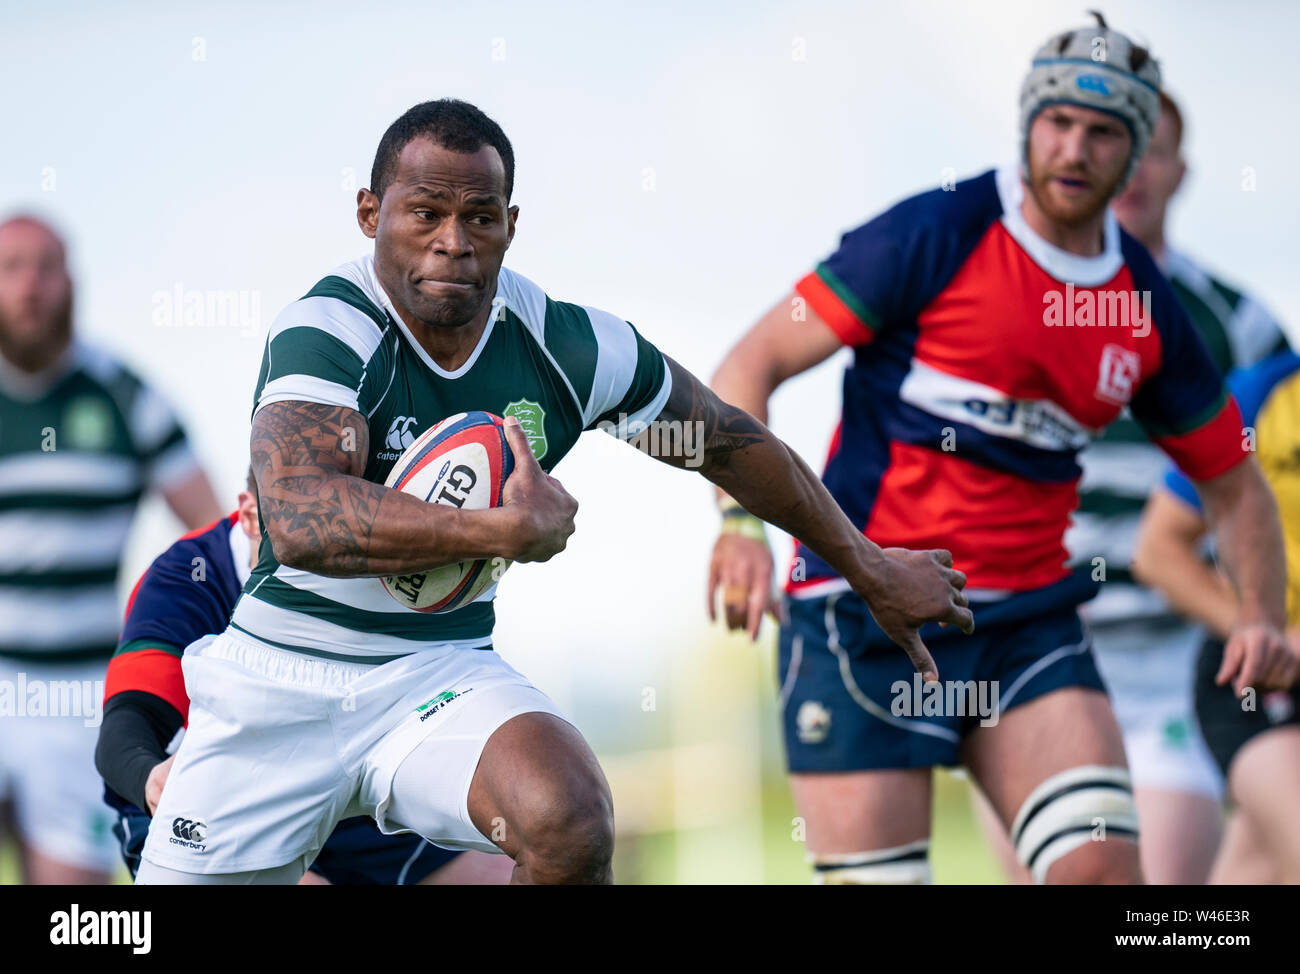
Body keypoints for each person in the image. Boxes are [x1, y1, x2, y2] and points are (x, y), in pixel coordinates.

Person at [132, 98, 971, 885]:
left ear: (510, 225)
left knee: (565, 812)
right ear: (370, 214)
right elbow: (301, 516)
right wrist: (496, 530)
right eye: (425, 212)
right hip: (281, 680)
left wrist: (869, 566)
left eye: (480, 217)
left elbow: (728, 443)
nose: (453, 240)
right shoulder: (329, 325)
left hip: (433, 675)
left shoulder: (570, 350)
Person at [705, 13, 1292, 884]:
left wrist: (1263, 613)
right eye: (1057, 123)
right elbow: (749, 366)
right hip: (859, 609)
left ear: (1134, 156)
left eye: (1103, 132)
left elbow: (1237, 484)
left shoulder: (1144, 300)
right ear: (1028, 125)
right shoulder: (931, 234)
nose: (1075, 149)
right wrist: (738, 526)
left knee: (1105, 879)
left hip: (1026, 623)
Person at [975, 90, 1293, 885]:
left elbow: (1269, 498)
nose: (1134, 166)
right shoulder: (999, 303)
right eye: (1121, 140)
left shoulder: (1240, 324)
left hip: (1177, 654)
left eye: (1153, 146)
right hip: (1031, 645)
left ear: (1179, 170)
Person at [96, 469, 512, 884]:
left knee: (512, 861)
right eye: (298, 530)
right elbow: (126, 729)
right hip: (219, 803)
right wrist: (151, 778)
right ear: (247, 515)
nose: (317, 553)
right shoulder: (187, 577)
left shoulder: (381, 570)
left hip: (348, 802)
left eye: (334, 530)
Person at [0, 214, 222, 884]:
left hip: (81, 696)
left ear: (72, 282)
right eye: (11, 268)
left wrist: (186, 658)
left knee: (71, 908)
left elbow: (212, 537)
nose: (30, 285)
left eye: (46, 267)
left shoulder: (126, 398)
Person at [1133, 351, 1300, 884]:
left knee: (1259, 862)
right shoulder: (1261, 393)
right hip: (1261, 681)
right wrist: (1265, 634)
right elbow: (1158, 553)